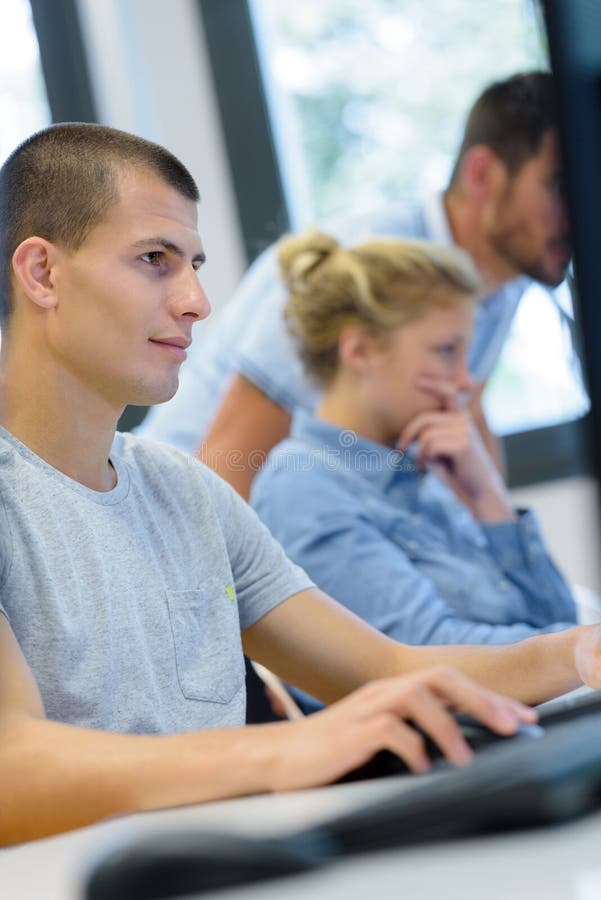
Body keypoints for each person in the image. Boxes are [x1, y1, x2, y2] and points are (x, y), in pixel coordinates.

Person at [0, 123, 594, 849]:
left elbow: (385, 668)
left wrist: (576, 654)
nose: (196, 301)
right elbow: (12, 767)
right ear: (42, 274)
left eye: (194, 263)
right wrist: (288, 750)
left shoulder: (188, 492)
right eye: (155, 260)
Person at [137, 70, 571, 499]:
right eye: (558, 186)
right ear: (483, 175)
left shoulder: (503, 279)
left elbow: (466, 417)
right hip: (176, 513)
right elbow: (228, 463)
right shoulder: (362, 267)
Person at [249, 230, 579, 711]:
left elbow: (557, 621)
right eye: (446, 350)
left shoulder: (423, 470)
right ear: (359, 350)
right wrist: (568, 652)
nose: (465, 382)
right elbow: (428, 657)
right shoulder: (303, 492)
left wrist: (489, 498)